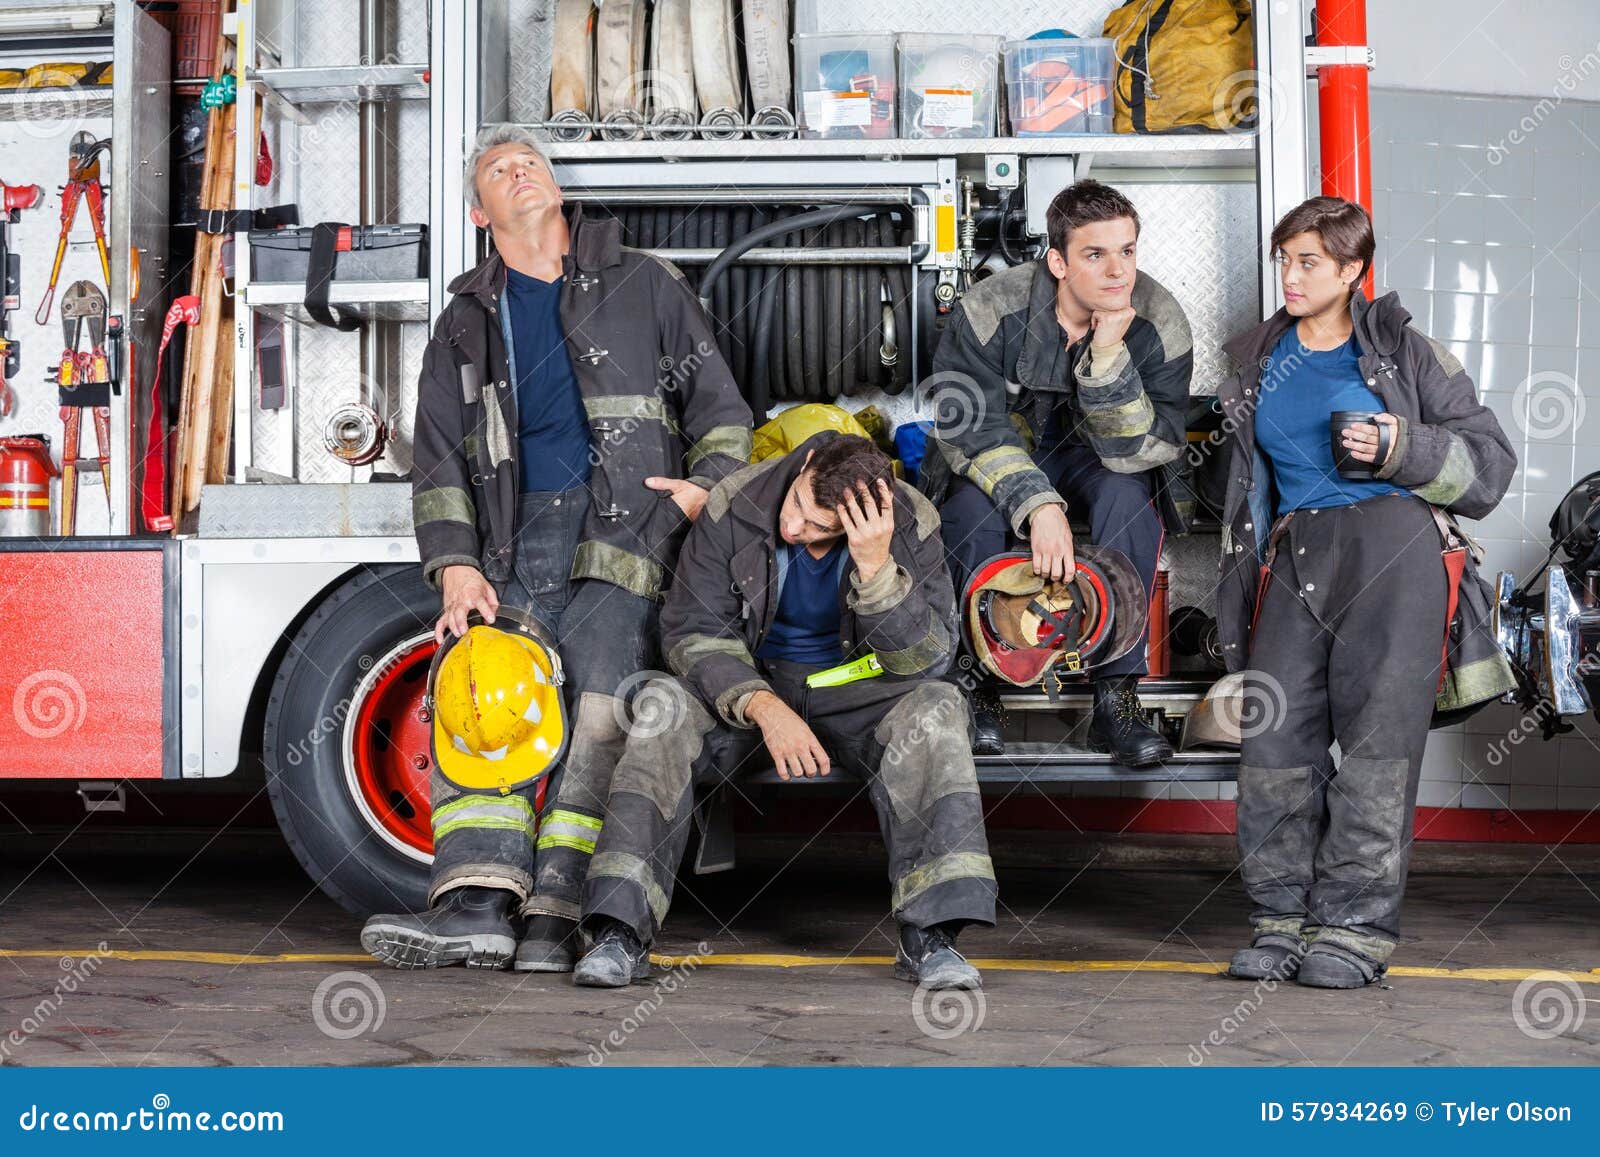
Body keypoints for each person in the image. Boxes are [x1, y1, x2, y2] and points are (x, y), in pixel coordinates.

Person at [361, 125, 753, 972]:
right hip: (515, 537)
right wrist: (456, 564)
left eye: (530, 162)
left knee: (603, 714)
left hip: (632, 530)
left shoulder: (645, 281)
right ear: (480, 213)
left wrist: (705, 493)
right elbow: (438, 457)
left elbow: (721, 409)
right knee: (483, 693)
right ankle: (477, 904)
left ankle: (558, 917)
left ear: (556, 187)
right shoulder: (464, 320)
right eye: (498, 171)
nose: (519, 173)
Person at [571, 433, 998, 990]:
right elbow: (690, 631)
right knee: (663, 707)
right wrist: (764, 706)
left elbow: (930, 659)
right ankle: (618, 931)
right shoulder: (735, 502)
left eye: (821, 528)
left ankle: (932, 939)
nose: (795, 528)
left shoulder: (910, 520)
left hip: (861, 694)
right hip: (750, 682)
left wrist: (876, 571)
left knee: (938, 709)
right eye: (798, 505)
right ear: (808, 463)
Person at [1216, 196, 1515, 988]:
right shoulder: (1257, 357)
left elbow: (1491, 465)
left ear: (1353, 269)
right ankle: (1280, 921)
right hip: (1295, 556)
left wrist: (1400, 445)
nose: (1290, 275)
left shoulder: (1405, 353)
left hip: (1393, 550)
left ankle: (1353, 930)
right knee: (1275, 744)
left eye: (1309, 262)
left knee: (1378, 749)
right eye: (1285, 259)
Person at [926, 179, 1190, 765]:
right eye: (1095, 254)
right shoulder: (989, 309)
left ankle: (1116, 699)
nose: (1118, 271)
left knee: (1129, 501)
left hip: (1102, 458)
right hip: (1006, 450)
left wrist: (1108, 358)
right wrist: (1040, 505)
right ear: (1057, 262)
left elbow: (1150, 446)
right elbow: (969, 427)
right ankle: (979, 688)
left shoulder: (1160, 321)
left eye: (1127, 251)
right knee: (968, 511)